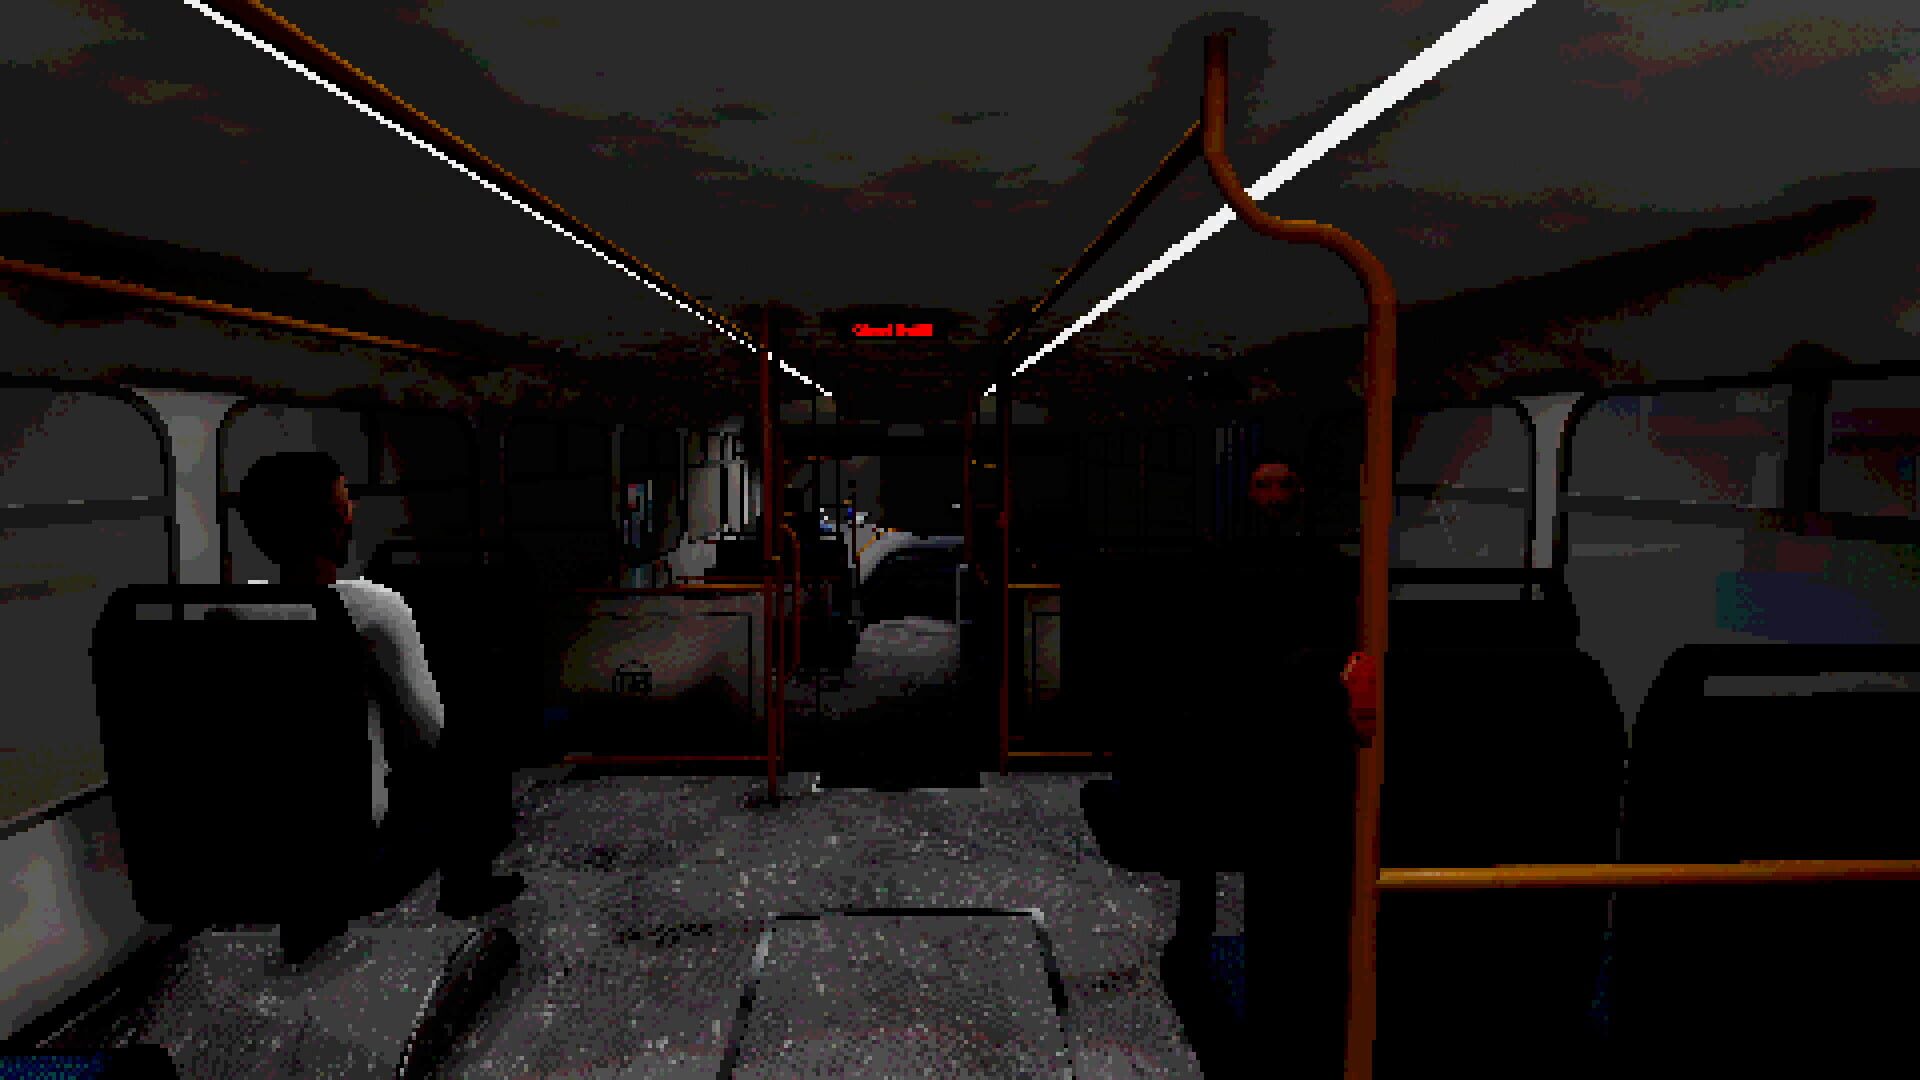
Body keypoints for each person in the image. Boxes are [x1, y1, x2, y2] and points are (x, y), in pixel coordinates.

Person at [233, 452, 524, 937]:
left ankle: (306, 914)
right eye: (345, 506)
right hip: (359, 845)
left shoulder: (231, 612)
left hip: (255, 833)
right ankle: (465, 885)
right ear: (333, 523)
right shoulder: (373, 607)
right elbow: (428, 733)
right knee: (468, 738)